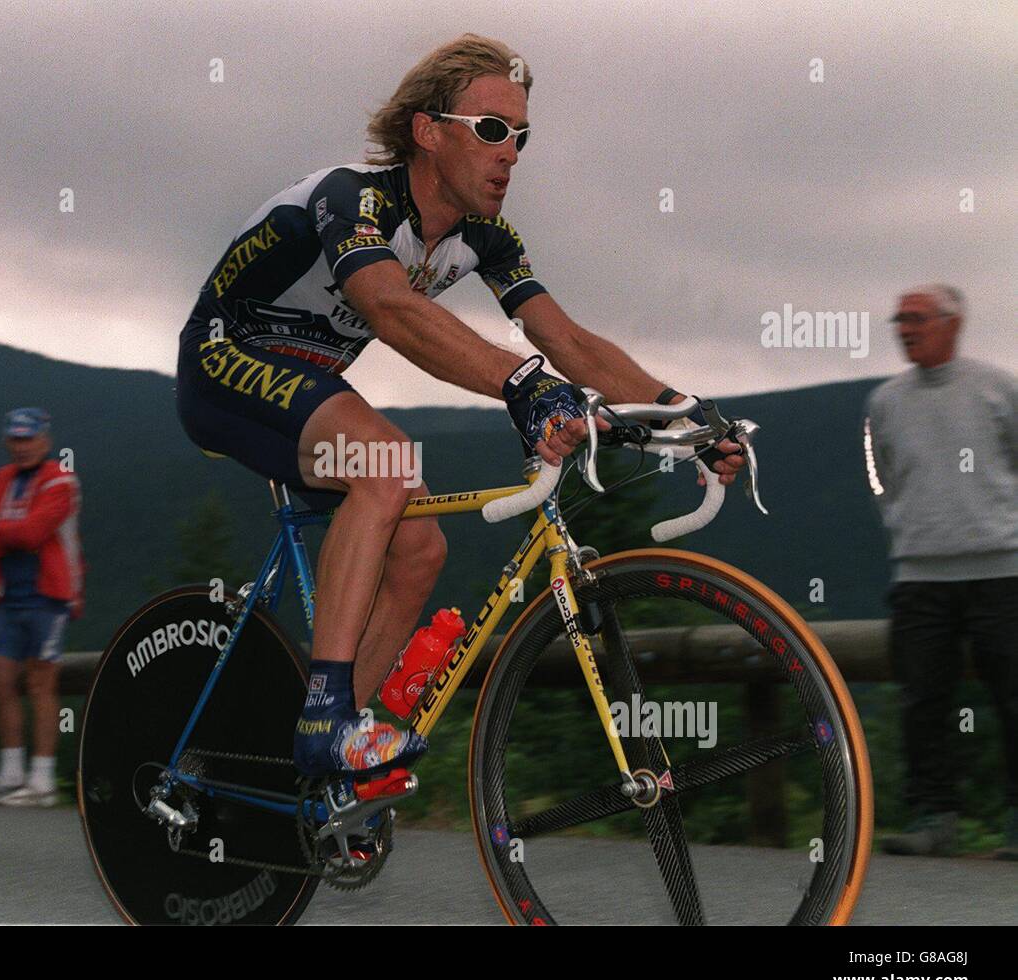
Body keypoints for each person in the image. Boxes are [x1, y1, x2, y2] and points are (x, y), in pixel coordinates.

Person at [174, 34, 745, 779]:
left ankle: (330, 750)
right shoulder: (353, 199)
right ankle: (323, 722)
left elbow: (566, 338)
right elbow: (390, 308)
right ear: (427, 130)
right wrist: (522, 383)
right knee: (385, 468)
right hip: (227, 359)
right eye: (491, 129)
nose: (511, 152)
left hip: (311, 386)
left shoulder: (484, 238)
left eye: (521, 136)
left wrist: (682, 414)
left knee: (420, 546)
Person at [866, 285, 1018, 860]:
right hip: (919, 576)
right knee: (923, 699)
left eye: (917, 318)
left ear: (953, 324)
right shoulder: (884, 400)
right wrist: (907, 525)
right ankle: (934, 818)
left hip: (1002, 571)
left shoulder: (999, 388)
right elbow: (880, 475)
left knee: (1015, 697)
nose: (905, 328)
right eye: (899, 319)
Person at [0, 408, 83, 807]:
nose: (22, 446)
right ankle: (10, 773)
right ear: (7, 442)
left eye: (29, 439)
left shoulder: (62, 480)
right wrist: (2, 531)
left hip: (50, 595)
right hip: (8, 595)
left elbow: (33, 533)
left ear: (45, 441)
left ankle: (43, 780)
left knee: (40, 682)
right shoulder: (1, 479)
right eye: (16, 439)